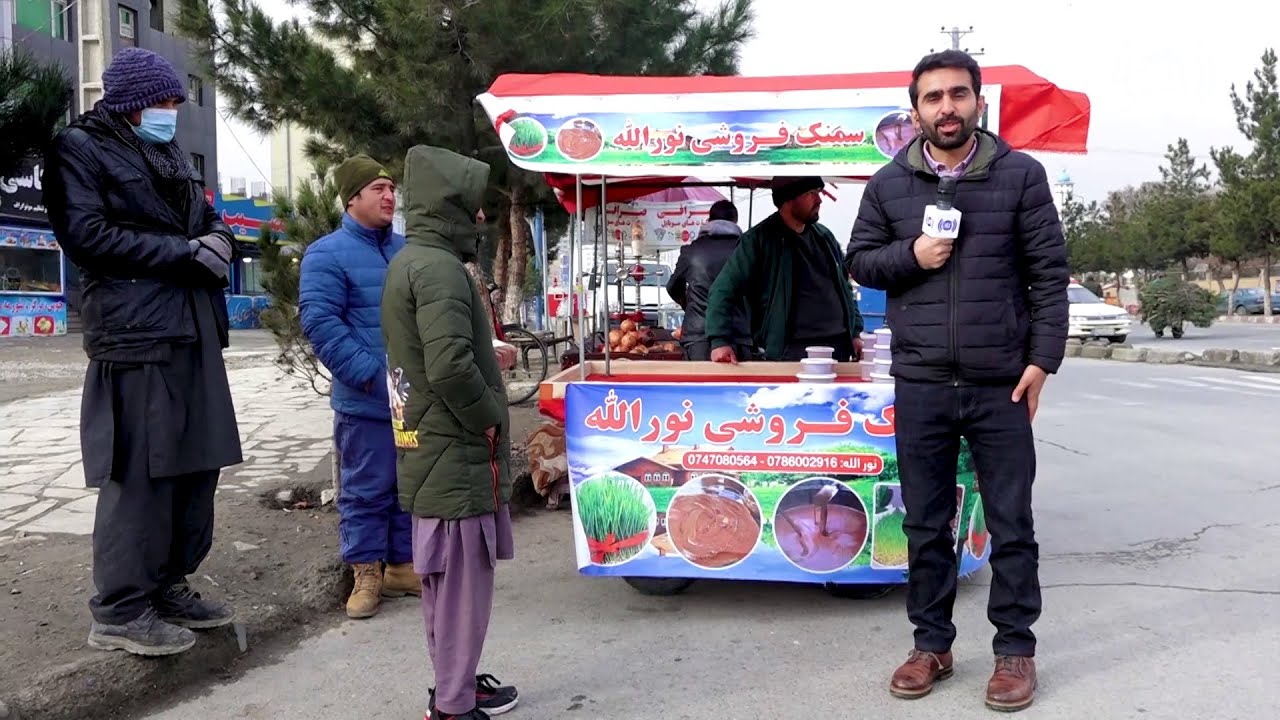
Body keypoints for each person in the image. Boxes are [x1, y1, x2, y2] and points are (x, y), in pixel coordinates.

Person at [844, 49, 1069, 712]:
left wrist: (1041, 361)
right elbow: (860, 262)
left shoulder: (1021, 177)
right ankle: (932, 644)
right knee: (925, 523)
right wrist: (910, 256)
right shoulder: (888, 186)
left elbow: (1048, 277)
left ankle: (1014, 652)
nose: (947, 107)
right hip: (920, 383)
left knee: (1011, 521)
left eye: (958, 95)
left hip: (1000, 383)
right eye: (934, 97)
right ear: (915, 110)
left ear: (977, 102)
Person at [41, 47, 241, 656]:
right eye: (163, 102)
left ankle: (167, 585)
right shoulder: (79, 149)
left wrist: (221, 242)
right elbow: (86, 237)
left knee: (196, 462)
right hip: (135, 332)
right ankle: (121, 608)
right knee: (142, 470)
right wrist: (183, 254)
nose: (172, 112)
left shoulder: (168, 151)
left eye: (177, 102)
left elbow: (208, 216)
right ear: (129, 103)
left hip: (193, 326)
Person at [381, 145, 519, 720]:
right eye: (474, 207)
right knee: (462, 592)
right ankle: (455, 706)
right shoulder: (437, 269)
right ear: (448, 207)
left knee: (445, 586)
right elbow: (450, 368)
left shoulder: (414, 261)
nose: (482, 218)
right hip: (456, 452)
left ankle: (453, 684)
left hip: (430, 448)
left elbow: (440, 355)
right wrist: (491, 414)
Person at [299, 154, 415, 619]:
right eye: (378, 189)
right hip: (365, 399)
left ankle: (403, 567)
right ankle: (365, 571)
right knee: (365, 487)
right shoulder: (325, 254)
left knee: (408, 485)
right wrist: (371, 376)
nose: (389, 197)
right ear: (352, 198)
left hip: (410, 400)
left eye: (392, 189)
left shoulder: (407, 251)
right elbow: (322, 324)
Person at [704, 177, 864, 362]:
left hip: (839, 348)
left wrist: (855, 333)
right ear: (789, 199)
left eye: (818, 192)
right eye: (810, 194)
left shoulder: (825, 238)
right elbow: (723, 291)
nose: (819, 200)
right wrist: (720, 341)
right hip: (791, 352)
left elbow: (845, 288)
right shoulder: (758, 241)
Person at [665, 199, 754, 361]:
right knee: (740, 386)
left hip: (699, 337)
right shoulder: (746, 250)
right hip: (740, 336)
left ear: (709, 220)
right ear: (735, 221)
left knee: (701, 385)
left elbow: (673, 286)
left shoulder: (692, 250)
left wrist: (689, 304)